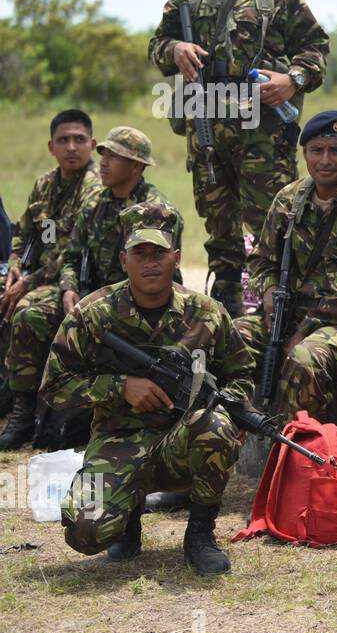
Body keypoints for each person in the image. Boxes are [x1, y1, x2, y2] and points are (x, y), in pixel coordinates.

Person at [42, 203, 256, 575]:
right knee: (84, 531)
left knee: (216, 427)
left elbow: (241, 375)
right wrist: (119, 387)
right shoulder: (93, 314)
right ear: (124, 259)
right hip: (118, 440)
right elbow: (54, 387)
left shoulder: (207, 313)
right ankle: (128, 517)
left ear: (176, 258)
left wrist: (228, 411)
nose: (150, 262)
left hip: (181, 440)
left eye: (159, 253)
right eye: (140, 253)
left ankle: (200, 535)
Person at [149, 0, 330, 315]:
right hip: (207, 125)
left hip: (264, 131)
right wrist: (175, 49)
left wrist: (293, 81)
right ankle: (226, 301)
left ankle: (282, 301)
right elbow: (156, 47)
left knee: (275, 217)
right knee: (217, 217)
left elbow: (316, 49)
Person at [1, 127, 181, 450]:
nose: (105, 163)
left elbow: (158, 273)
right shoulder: (96, 204)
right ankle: (23, 411)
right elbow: (70, 255)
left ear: (136, 167)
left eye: (114, 157)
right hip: (87, 298)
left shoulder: (155, 209)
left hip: (134, 303)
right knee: (30, 316)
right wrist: (69, 288)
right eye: (105, 155)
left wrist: (99, 302)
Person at [235, 111, 337, 421]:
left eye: (336, 151)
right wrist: (268, 291)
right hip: (292, 317)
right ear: (304, 153)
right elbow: (261, 259)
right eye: (316, 150)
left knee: (304, 358)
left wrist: (303, 330)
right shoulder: (289, 200)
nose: (325, 160)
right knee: (231, 338)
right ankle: (233, 438)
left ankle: (305, 452)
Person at [0, 110, 101, 428]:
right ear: (51, 147)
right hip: (34, 277)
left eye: (79, 140)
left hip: (72, 280)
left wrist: (26, 283)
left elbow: (75, 250)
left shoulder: (94, 189)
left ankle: (23, 411)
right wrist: (15, 267)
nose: (72, 147)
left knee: (27, 313)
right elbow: (23, 233)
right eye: (64, 140)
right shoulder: (44, 184)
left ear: (92, 144)